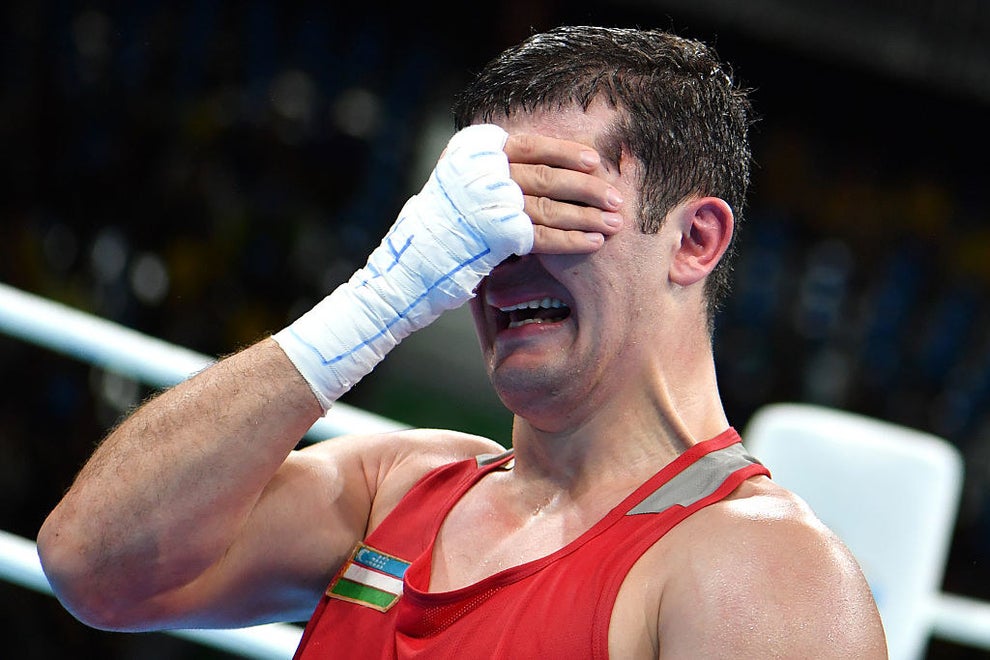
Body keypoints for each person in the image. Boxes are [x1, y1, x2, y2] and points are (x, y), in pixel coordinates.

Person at [37, 26, 887, 658]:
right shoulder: (396, 490)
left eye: (552, 203)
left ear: (694, 239)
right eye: (474, 214)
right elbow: (91, 564)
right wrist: (380, 297)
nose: (498, 255)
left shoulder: (763, 573)